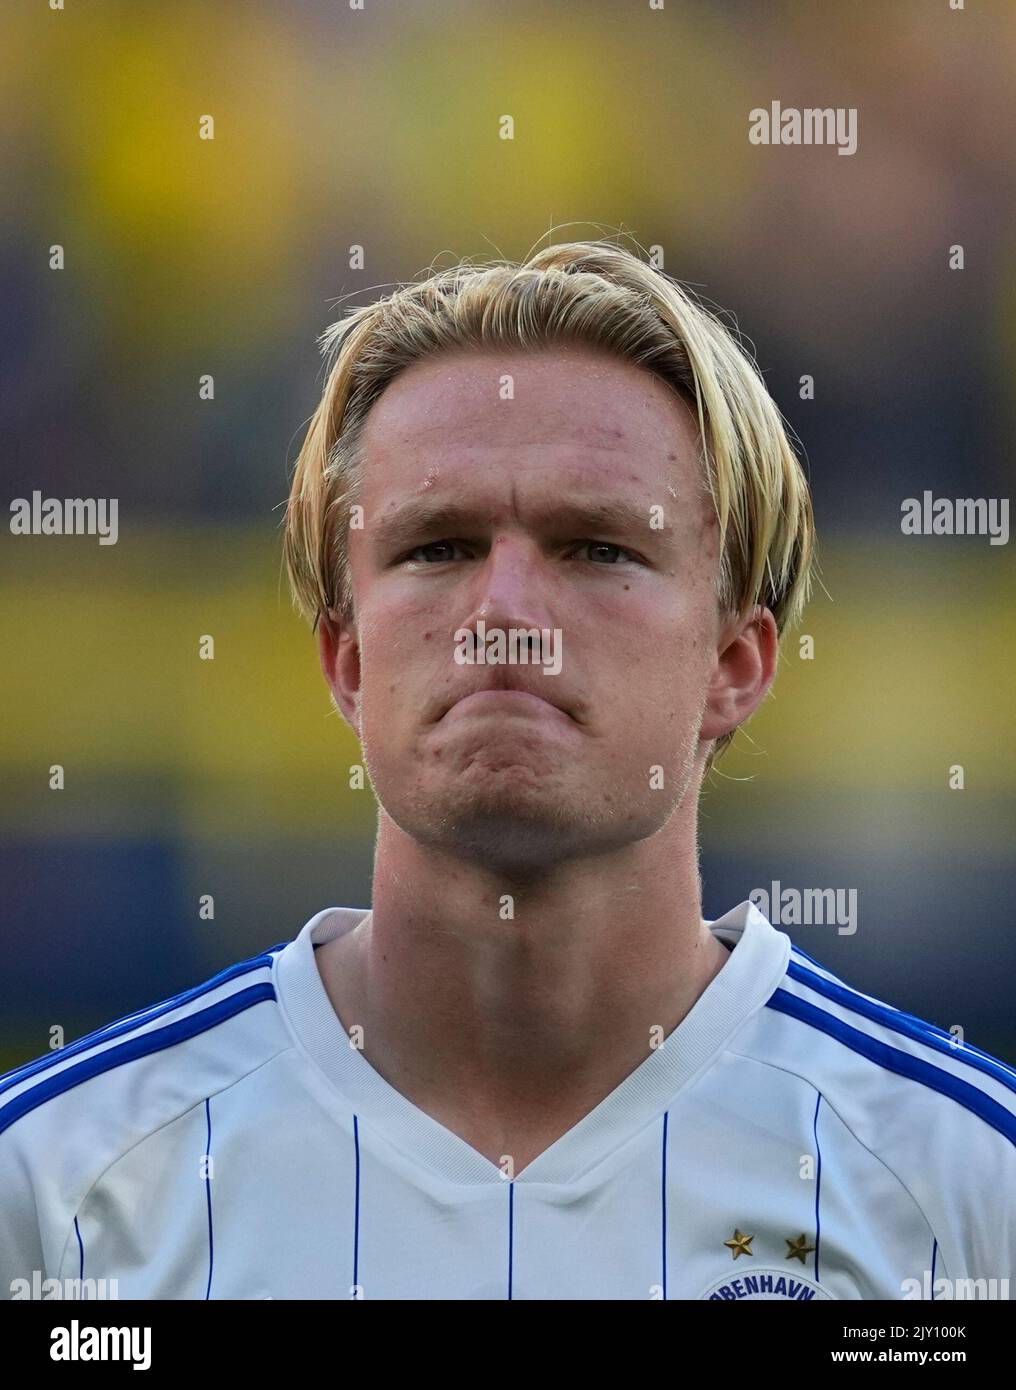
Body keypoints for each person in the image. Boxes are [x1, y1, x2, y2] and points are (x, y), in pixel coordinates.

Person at [2, 242, 1013, 1301]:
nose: (505, 616)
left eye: (595, 548)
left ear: (731, 666)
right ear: (345, 659)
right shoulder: (54, 1191)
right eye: (437, 547)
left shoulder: (964, 1194)